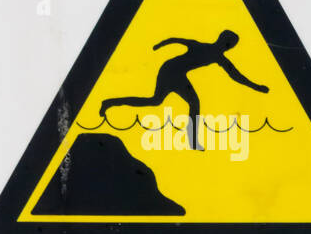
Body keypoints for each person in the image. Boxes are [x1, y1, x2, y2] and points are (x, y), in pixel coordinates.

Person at [100, 29, 268, 150]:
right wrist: (159, 45)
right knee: (184, 102)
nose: (229, 47)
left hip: (175, 72)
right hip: (170, 70)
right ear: (223, 41)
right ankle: (193, 141)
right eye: (229, 44)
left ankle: (109, 102)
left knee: (157, 101)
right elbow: (177, 39)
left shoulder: (218, 57)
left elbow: (236, 75)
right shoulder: (203, 47)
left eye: (231, 46)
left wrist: (257, 87)